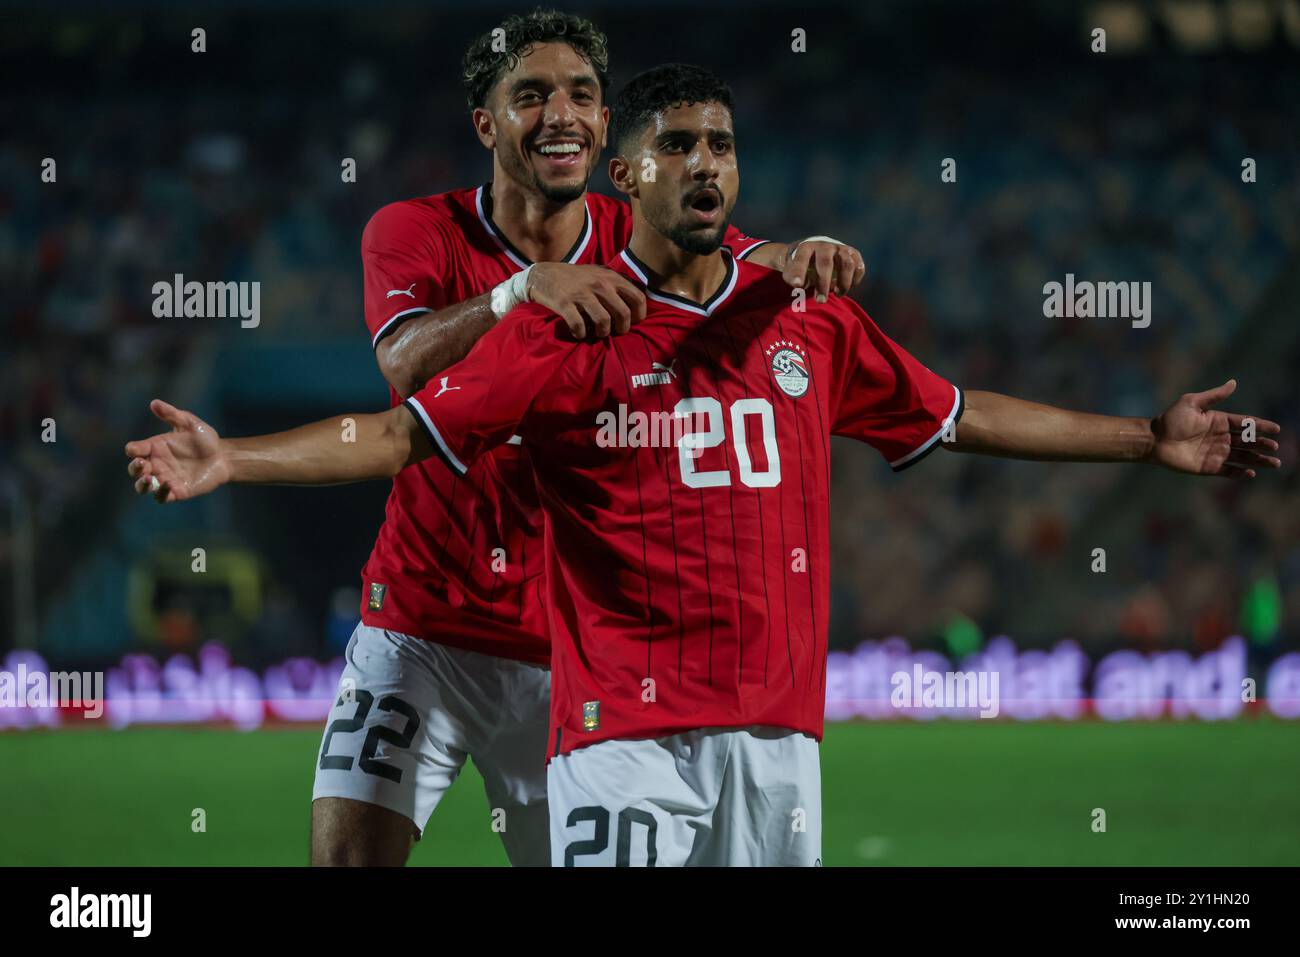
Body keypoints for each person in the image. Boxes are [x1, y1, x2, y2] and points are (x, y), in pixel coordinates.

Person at [126, 63, 1280, 866]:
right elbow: (394, 436)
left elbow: (960, 413)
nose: (703, 163)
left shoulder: (804, 317)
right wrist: (236, 461)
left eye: (719, 144)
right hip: (615, 738)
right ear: (623, 176)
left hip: (778, 734)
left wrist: (1145, 438)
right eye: (675, 145)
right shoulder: (566, 329)